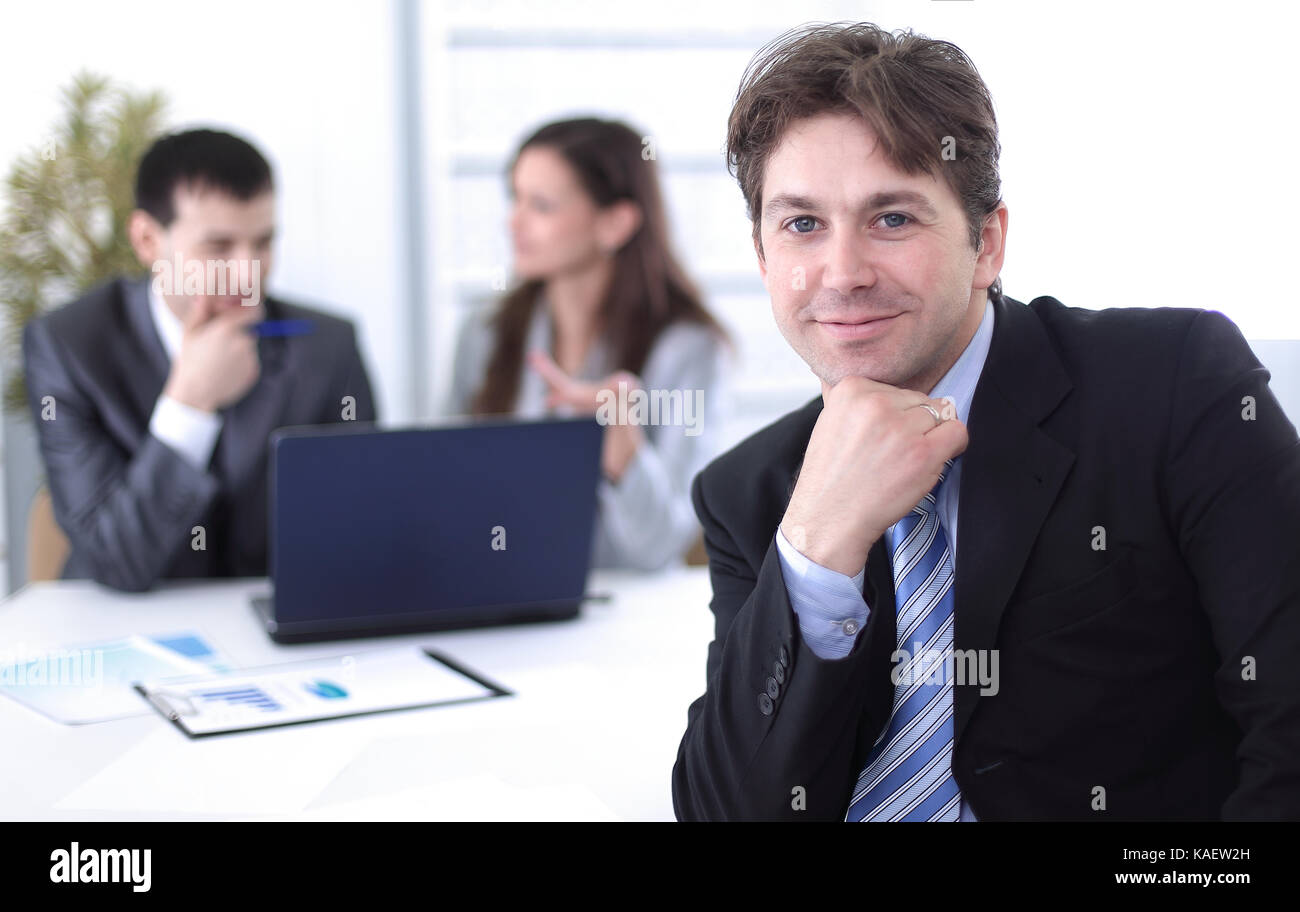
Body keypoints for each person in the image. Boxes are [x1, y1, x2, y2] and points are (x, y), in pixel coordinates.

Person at [672, 22, 1300, 821]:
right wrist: (817, 547)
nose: (843, 273)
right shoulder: (751, 492)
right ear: (763, 258)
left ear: (987, 244)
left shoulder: (1172, 383)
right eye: (802, 224)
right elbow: (726, 812)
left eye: (892, 218)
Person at [23, 128, 377, 592]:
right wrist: (189, 404)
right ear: (149, 241)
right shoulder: (68, 347)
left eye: (263, 242)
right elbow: (115, 560)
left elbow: (362, 533)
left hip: (277, 636)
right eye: (219, 248)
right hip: (122, 631)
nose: (248, 273)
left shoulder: (327, 347)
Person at [447, 117, 731, 571]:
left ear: (615, 224)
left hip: (628, 615)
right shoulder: (484, 333)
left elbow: (660, 546)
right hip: (498, 595)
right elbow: (449, 498)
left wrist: (623, 449)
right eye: (514, 198)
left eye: (541, 205)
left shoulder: (688, 350)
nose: (513, 222)